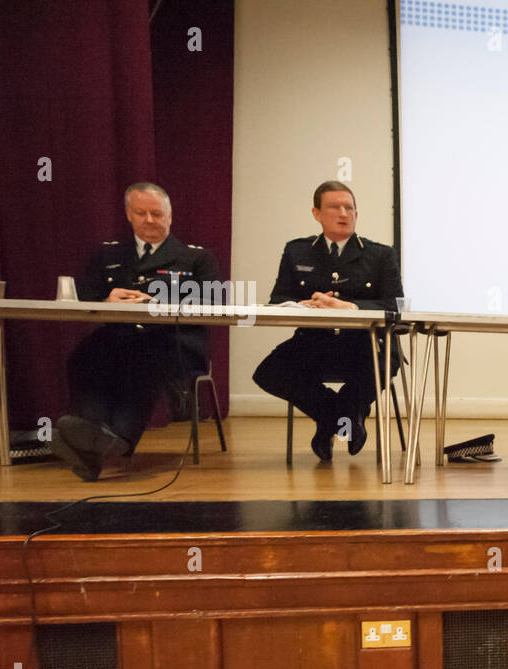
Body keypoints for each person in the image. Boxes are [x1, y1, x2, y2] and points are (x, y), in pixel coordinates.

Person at [53, 182, 219, 481]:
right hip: (119, 336)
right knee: (84, 357)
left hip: (175, 341)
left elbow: (214, 303)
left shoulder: (195, 258)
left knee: (142, 363)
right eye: (141, 213)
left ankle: (116, 438)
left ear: (170, 215)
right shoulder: (108, 255)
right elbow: (83, 298)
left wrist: (156, 302)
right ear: (129, 214)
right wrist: (107, 300)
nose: (150, 220)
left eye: (156, 213)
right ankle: (93, 433)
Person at [252, 181, 403, 462]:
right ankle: (340, 417)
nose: (343, 213)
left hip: (363, 347)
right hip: (314, 344)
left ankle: (330, 424)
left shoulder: (380, 254)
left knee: (384, 364)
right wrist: (303, 305)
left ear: (357, 214)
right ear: (316, 213)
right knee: (268, 372)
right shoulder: (297, 251)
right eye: (334, 207)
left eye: (350, 208)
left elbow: (396, 306)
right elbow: (277, 300)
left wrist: (350, 306)